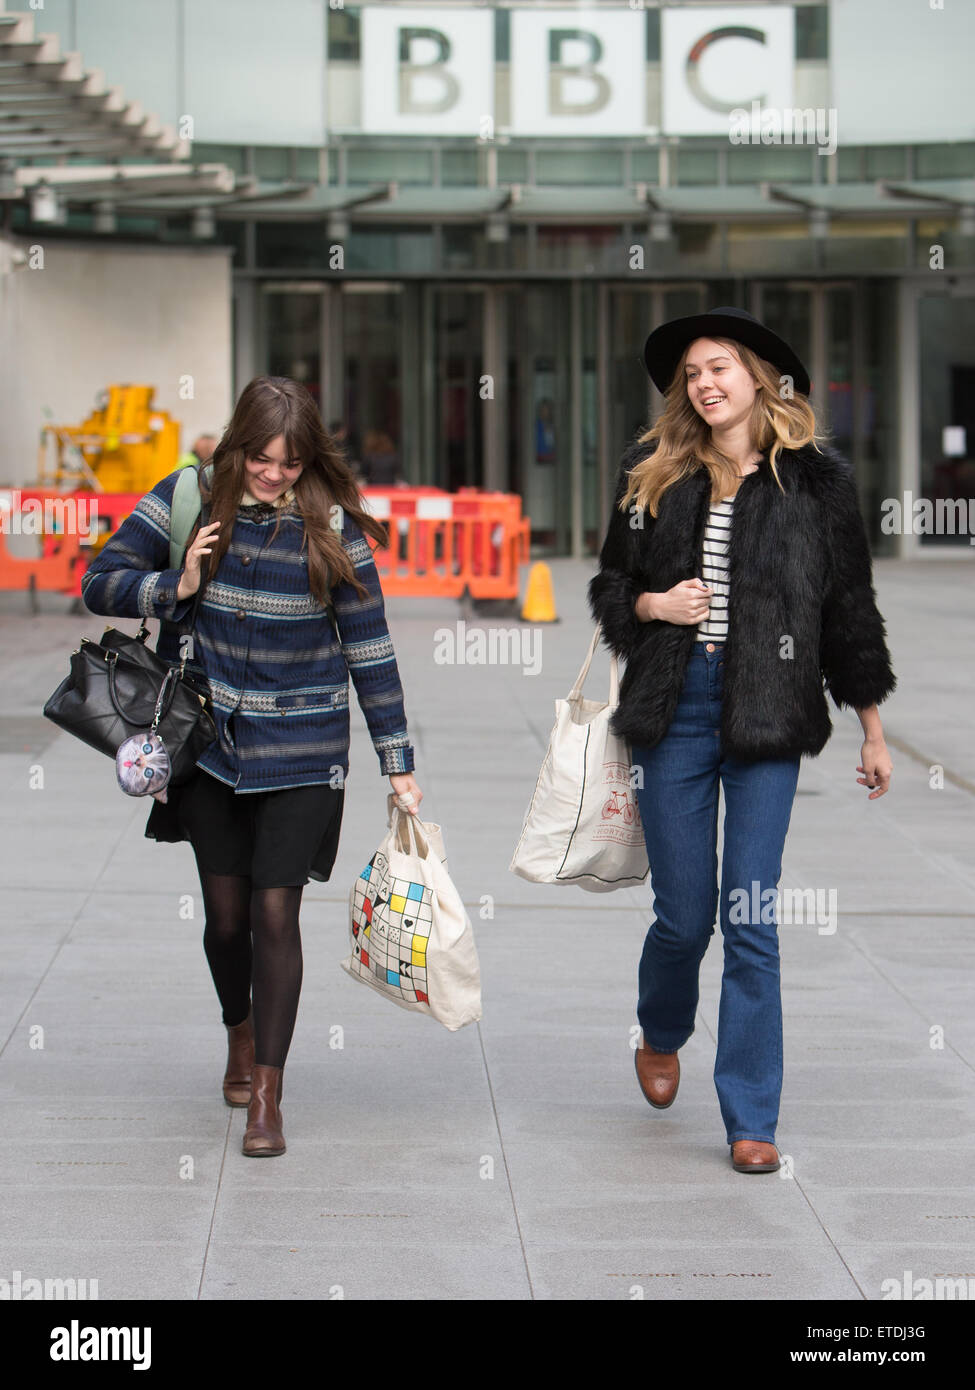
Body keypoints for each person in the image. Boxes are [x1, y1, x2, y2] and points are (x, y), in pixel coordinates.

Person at [588, 307, 895, 1174]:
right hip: (673, 712)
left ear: (758, 376)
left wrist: (870, 726)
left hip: (769, 715)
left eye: (718, 367)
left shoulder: (816, 483)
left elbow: (848, 610)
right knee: (684, 917)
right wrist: (653, 606)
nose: (704, 384)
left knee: (750, 918)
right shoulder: (653, 473)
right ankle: (660, 1027)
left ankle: (750, 1117)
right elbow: (612, 583)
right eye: (691, 375)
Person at [81, 376, 422, 1158]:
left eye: (292, 463)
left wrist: (396, 761)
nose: (274, 476)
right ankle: (238, 1032)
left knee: (276, 915)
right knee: (226, 919)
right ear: (236, 446)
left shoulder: (332, 525)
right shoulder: (186, 498)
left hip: (302, 751)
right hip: (207, 749)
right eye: (262, 460)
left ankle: (268, 1089)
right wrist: (177, 583)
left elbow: (369, 648)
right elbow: (97, 581)